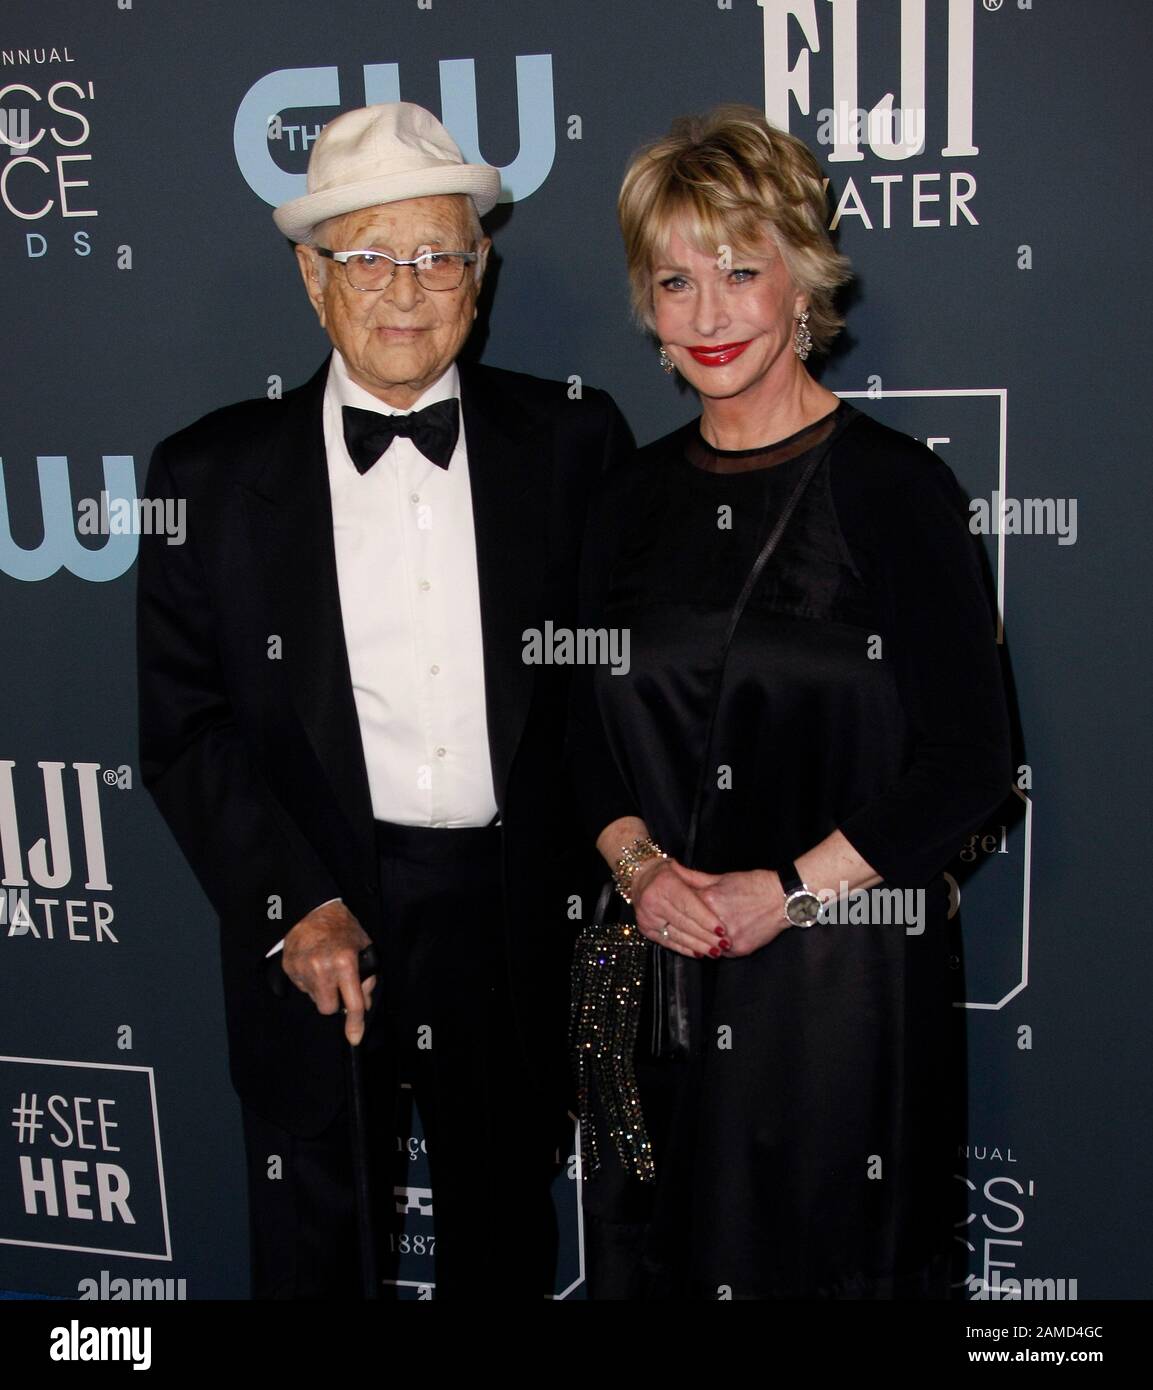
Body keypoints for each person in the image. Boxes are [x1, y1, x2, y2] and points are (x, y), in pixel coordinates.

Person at [136, 102, 632, 1299]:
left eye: (437, 254)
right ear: (313, 279)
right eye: (368, 255)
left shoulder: (573, 442)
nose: (405, 289)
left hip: (513, 912)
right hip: (313, 903)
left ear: (480, 272)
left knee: (504, 1239)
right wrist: (293, 902)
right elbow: (183, 728)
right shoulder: (205, 475)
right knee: (317, 1245)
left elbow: (609, 695)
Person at [570, 105, 1012, 1299]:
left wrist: (789, 890)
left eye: (739, 271)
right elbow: (569, 730)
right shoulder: (625, 502)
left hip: (834, 998)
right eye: (674, 279)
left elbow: (971, 762)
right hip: (652, 975)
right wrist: (637, 868)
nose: (707, 314)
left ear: (801, 281)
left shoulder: (894, 489)